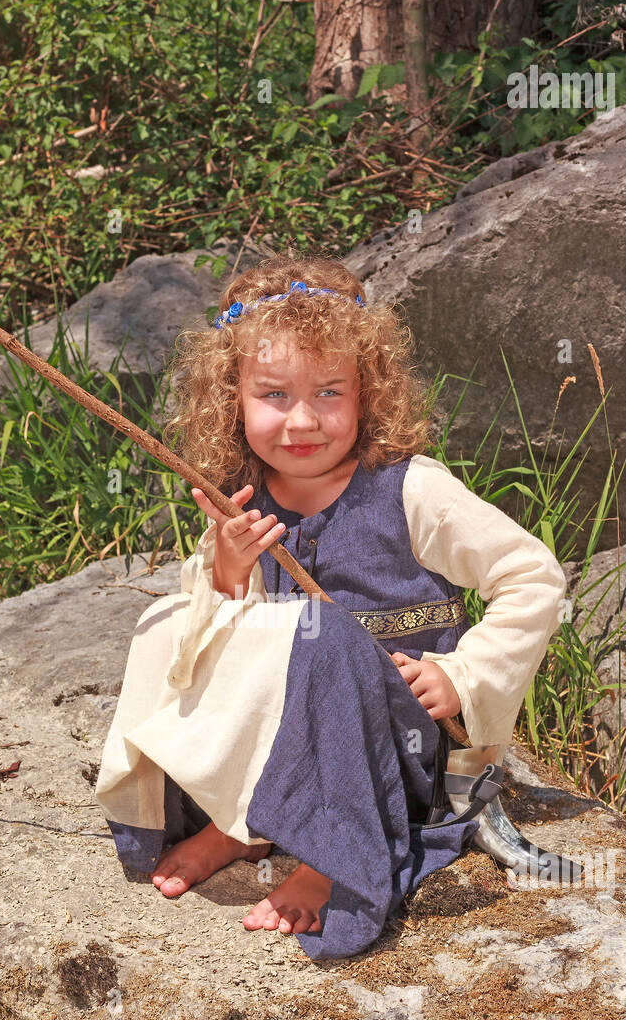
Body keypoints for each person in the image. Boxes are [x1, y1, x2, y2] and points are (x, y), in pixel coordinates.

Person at [95, 254, 567, 961]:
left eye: (329, 392)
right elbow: (219, 643)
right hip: (286, 732)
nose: (303, 420)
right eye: (274, 395)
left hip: (398, 739)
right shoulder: (242, 498)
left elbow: (533, 577)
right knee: (168, 623)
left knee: (318, 635)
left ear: (368, 394)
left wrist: (462, 675)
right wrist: (229, 566)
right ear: (233, 398)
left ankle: (329, 856)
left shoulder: (411, 492)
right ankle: (243, 821)